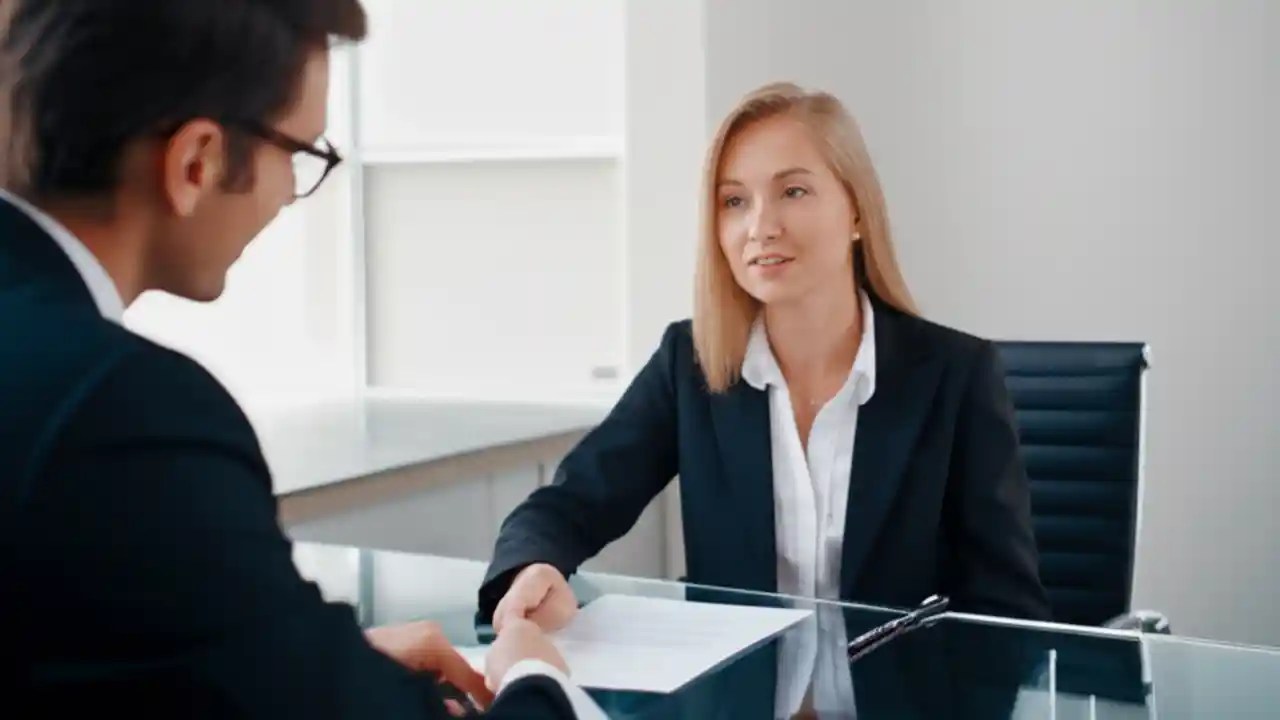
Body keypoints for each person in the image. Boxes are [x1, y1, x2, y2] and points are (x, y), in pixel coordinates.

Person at [0, 2, 601, 717]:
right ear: (196, 161)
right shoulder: (122, 410)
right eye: (300, 152)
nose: (291, 193)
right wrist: (539, 680)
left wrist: (298, 656)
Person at [480, 82, 1051, 636]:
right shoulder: (691, 363)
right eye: (734, 201)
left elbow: (1009, 615)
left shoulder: (957, 375)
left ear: (856, 212)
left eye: (793, 192)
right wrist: (536, 566)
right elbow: (570, 503)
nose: (760, 227)